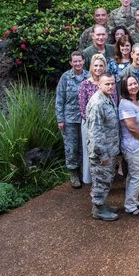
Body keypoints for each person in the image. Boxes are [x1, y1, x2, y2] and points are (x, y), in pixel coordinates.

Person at [85, 72, 121, 221]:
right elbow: (95, 133)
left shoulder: (108, 98)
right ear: (99, 84)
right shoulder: (97, 103)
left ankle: (102, 204)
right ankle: (98, 210)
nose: (111, 86)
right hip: (101, 152)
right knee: (100, 180)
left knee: (106, 179)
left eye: (112, 83)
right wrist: (103, 155)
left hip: (110, 148)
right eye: (107, 83)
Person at [78, 54, 117, 186]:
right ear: (91, 67)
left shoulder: (110, 82)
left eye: (101, 65)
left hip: (109, 123)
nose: (98, 68)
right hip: (91, 123)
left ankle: (106, 178)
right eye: (96, 65)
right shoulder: (85, 84)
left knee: (108, 152)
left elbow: (114, 101)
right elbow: (82, 107)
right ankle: (91, 179)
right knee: (93, 151)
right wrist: (93, 122)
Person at [118, 75, 139, 216]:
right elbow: (131, 127)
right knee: (138, 176)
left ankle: (133, 200)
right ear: (125, 87)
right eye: (129, 85)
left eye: (135, 83)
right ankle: (130, 206)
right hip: (133, 146)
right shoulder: (125, 104)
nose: (133, 86)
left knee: (133, 175)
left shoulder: (136, 101)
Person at [55, 51, 89, 189]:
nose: (77, 63)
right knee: (71, 147)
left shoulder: (89, 76)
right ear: (70, 63)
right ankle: (73, 172)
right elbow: (59, 99)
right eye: (74, 61)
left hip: (85, 118)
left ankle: (82, 171)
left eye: (79, 61)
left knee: (83, 146)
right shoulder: (66, 77)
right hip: (70, 119)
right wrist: (60, 119)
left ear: (83, 61)